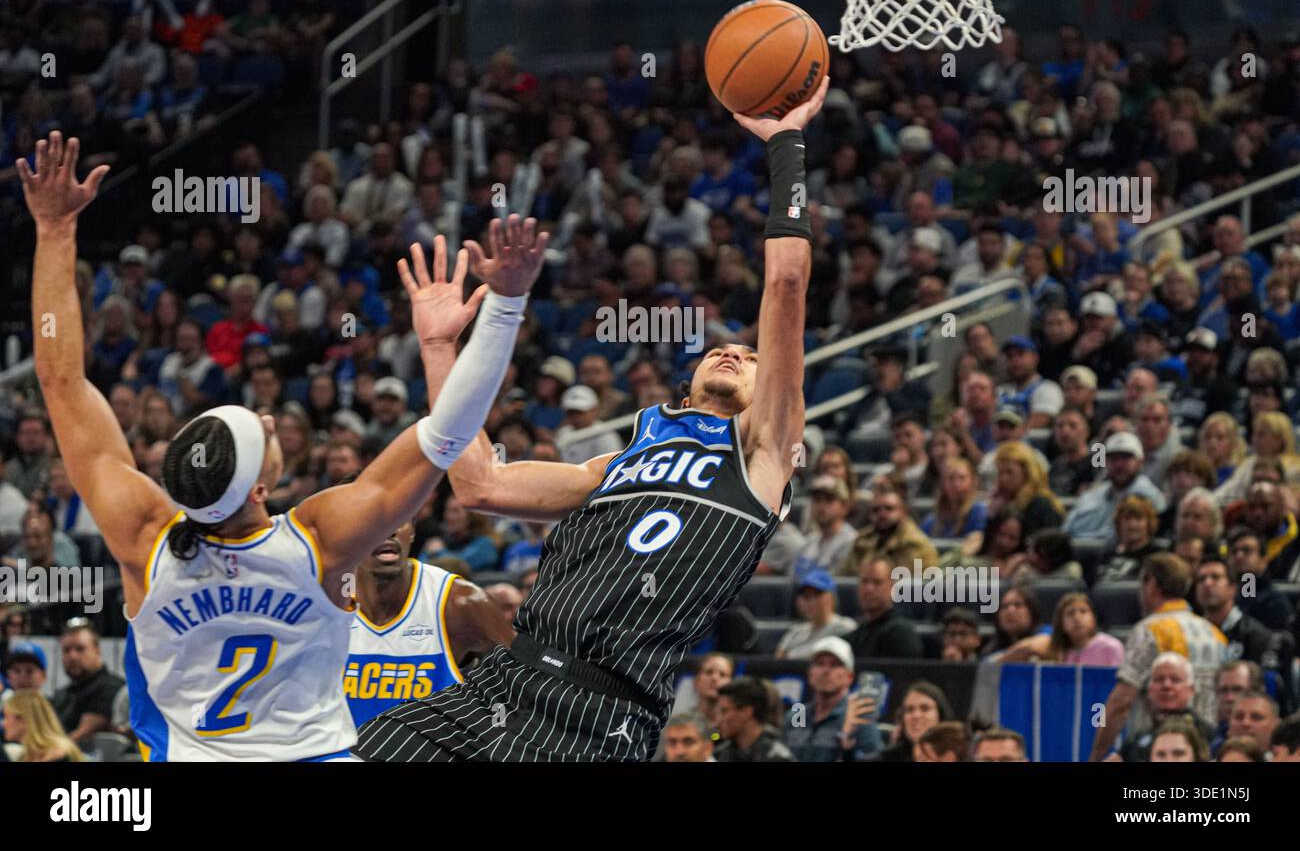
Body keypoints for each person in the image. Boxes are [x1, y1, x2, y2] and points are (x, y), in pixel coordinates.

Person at [20, 131, 542, 760]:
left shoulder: (142, 536)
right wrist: (502, 305)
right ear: (262, 487)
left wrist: (53, 231)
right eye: (262, 430)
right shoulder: (319, 539)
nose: (270, 421)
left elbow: (60, 381)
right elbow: (451, 429)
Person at [353, 79, 829, 762]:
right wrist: (439, 348)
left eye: (752, 356)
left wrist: (785, 145)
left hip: (598, 712)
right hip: (503, 680)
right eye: (723, 347)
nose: (733, 350)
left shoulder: (762, 456)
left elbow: (785, 282)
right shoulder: (621, 460)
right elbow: (479, 484)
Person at [344, 519, 512, 729]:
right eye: (376, 517)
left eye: (401, 516)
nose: (390, 529)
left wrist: (497, 735)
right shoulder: (324, 598)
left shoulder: (460, 601)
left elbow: (523, 682)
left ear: (412, 530)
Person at [1089, 554, 1227, 761]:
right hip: (1205, 746)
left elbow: (1121, 702)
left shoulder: (1151, 629)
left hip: (1159, 748)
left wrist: (1096, 755)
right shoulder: (1215, 634)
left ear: (1151, 583)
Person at [783, 636, 882, 761]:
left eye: (835, 665)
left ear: (849, 676)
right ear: (810, 674)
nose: (826, 670)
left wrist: (848, 739)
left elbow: (874, 757)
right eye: (820, 664)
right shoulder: (796, 715)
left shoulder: (858, 718)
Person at [1063, 431, 1168, 540]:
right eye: (1114, 458)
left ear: (1140, 462)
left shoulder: (1150, 498)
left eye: (1126, 458)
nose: (1119, 464)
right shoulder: (1093, 494)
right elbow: (1067, 528)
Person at [1119, 652, 1216, 762]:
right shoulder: (1135, 742)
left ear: (1191, 689)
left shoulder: (1208, 736)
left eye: (1175, 680)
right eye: (1159, 679)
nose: (1166, 685)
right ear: (1150, 689)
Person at [50, 621, 123, 746]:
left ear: (97, 650)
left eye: (80, 649)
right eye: (66, 650)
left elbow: (81, 734)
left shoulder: (113, 689)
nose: (72, 656)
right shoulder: (62, 694)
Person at [1002, 592, 1124, 666]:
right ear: (1061, 624)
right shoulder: (1056, 649)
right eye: (1070, 613)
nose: (1077, 617)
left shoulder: (1110, 647)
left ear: (1094, 618)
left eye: (1083, 611)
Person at [844, 557, 925, 660]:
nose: (869, 589)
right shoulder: (855, 634)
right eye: (864, 581)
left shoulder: (901, 634)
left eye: (877, 582)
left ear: (892, 587)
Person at [775, 565, 856, 659]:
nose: (811, 602)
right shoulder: (796, 631)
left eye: (817, 595)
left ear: (831, 598)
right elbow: (778, 660)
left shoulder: (844, 627)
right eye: (806, 596)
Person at [713, 676, 796, 762]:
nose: (718, 721)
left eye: (724, 711)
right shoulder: (720, 756)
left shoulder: (778, 757)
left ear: (747, 712)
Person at [870, 681, 954, 762]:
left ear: (940, 714)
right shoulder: (886, 758)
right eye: (910, 710)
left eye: (925, 708)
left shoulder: (960, 754)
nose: (916, 715)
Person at [2, 691, 85, 762]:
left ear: (24, 719)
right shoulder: (27, 756)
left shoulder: (60, 753)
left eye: (6, 717)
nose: (3, 724)